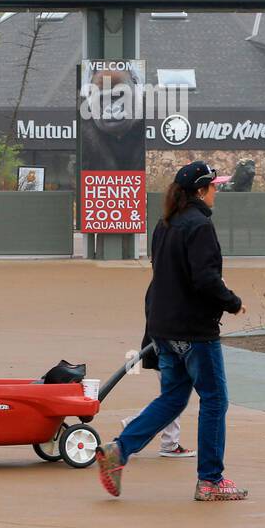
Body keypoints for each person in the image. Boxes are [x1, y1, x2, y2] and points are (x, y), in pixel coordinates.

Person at [96, 161, 248, 501]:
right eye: (214, 186)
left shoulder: (165, 225)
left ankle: (120, 450)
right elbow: (206, 280)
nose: (217, 192)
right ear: (200, 190)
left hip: (164, 330)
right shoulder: (200, 227)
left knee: (174, 397)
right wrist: (233, 302)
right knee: (215, 400)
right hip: (195, 332)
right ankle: (210, 481)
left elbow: (163, 279)